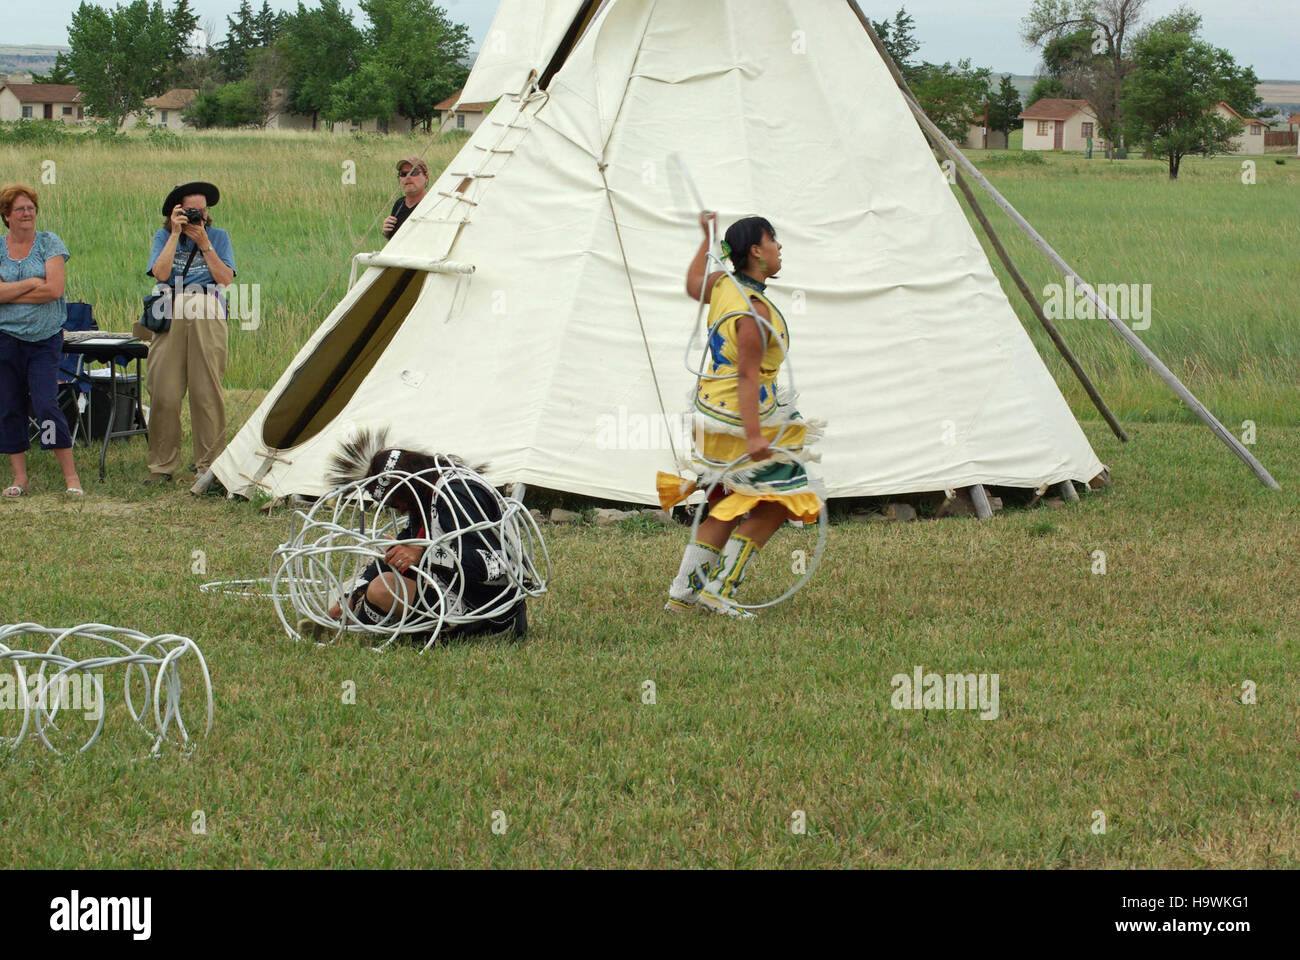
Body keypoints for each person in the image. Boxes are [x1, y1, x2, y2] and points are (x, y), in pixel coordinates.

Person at [658, 213, 824, 619]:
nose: (779, 247)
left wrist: (706, 240)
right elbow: (748, 376)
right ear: (756, 251)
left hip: (710, 413)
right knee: (779, 503)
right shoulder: (755, 311)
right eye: (773, 240)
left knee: (726, 499)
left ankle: (684, 592)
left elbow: (692, 284)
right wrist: (754, 437)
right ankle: (720, 587)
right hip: (740, 418)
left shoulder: (722, 286)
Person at [325, 429, 528, 641]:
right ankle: (358, 619)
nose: (401, 509)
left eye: (395, 502)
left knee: (382, 588)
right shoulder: (427, 497)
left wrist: (424, 554)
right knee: (369, 581)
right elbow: (401, 549)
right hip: (452, 593)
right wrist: (355, 592)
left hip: (487, 611)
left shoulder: (457, 495)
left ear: (405, 488)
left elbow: (497, 566)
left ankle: (362, 633)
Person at [143, 181, 236, 485]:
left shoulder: (218, 237)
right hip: (170, 312)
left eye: (203, 211)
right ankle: (161, 466)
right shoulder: (163, 236)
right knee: (164, 392)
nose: (199, 217)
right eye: (191, 211)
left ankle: (209, 466)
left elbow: (224, 279)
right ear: (176, 211)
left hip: (206, 310)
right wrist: (174, 234)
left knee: (205, 390)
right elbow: (161, 274)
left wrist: (204, 243)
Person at [0, 183, 83, 497]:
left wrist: (13, 292)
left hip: (44, 340)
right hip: (6, 338)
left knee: (46, 404)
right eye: (20, 209)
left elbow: (55, 290)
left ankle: (71, 478)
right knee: (9, 405)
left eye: (31, 207)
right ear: (7, 216)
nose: (27, 213)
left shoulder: (49, 242)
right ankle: (19, 478)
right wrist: (34, 281)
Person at [382, 158, 429, 241]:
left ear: (426, 177)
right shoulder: (399, 204)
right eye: (403, 174)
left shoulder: (434, 203)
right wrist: (387, 232)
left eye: (414, 172)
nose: (408, 177)